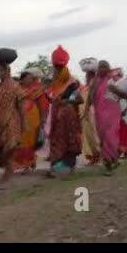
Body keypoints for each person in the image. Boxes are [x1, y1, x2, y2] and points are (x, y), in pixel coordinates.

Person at [0, 62, 27, 189]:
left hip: (11, 122)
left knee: (9, 150)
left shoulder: (16, 86)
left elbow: (21, 107)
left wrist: (24, 122)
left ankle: (6, 179)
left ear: (7, 70)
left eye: (1, 70)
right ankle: (9, 171)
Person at [46, 46, 82, 177]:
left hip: (69, 118)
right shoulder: (55, 83)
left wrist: (66, 102)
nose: (56, 70)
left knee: (69, 141)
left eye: (58, 67)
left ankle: (69, 169)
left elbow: (79, 99)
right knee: (56, 140)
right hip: (57, 117)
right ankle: (55, 168)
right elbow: (53, 99)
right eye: (56, 67)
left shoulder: (72, 83)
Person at [83, 61, 124, 175]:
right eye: (100, 67)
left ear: (108, 68)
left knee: (110, 137)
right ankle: (113, 160)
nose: (102, 69)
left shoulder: (112, 80)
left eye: (104, 67)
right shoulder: (95, 82)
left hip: (112, 114)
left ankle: (109, 165)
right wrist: (86, 110)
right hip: (100, 114)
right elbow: (90, 96)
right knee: (103, 137)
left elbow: (121, 94)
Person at [13, 67, 46, 173]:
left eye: (31, 78)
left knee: (30, 141)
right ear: (22, 79)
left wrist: (42, 118)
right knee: (21, 141)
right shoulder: (16, 89)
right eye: (28, 78)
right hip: (19, 118)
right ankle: (26, 163)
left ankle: (29, 163)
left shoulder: (37, 89)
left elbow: (41, 105)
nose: (30, 80)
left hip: (33, 117)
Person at [78, 58, 101, 165]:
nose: (87, 75)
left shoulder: (96, 83)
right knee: (88, 134)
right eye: (87, 73)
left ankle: (96, 155)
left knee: (93, 133)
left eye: (89, 73)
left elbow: (92, 98)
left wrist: (87, 109)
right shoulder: (86, 86)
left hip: (92, 111)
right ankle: (94, 156)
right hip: (86, 112)